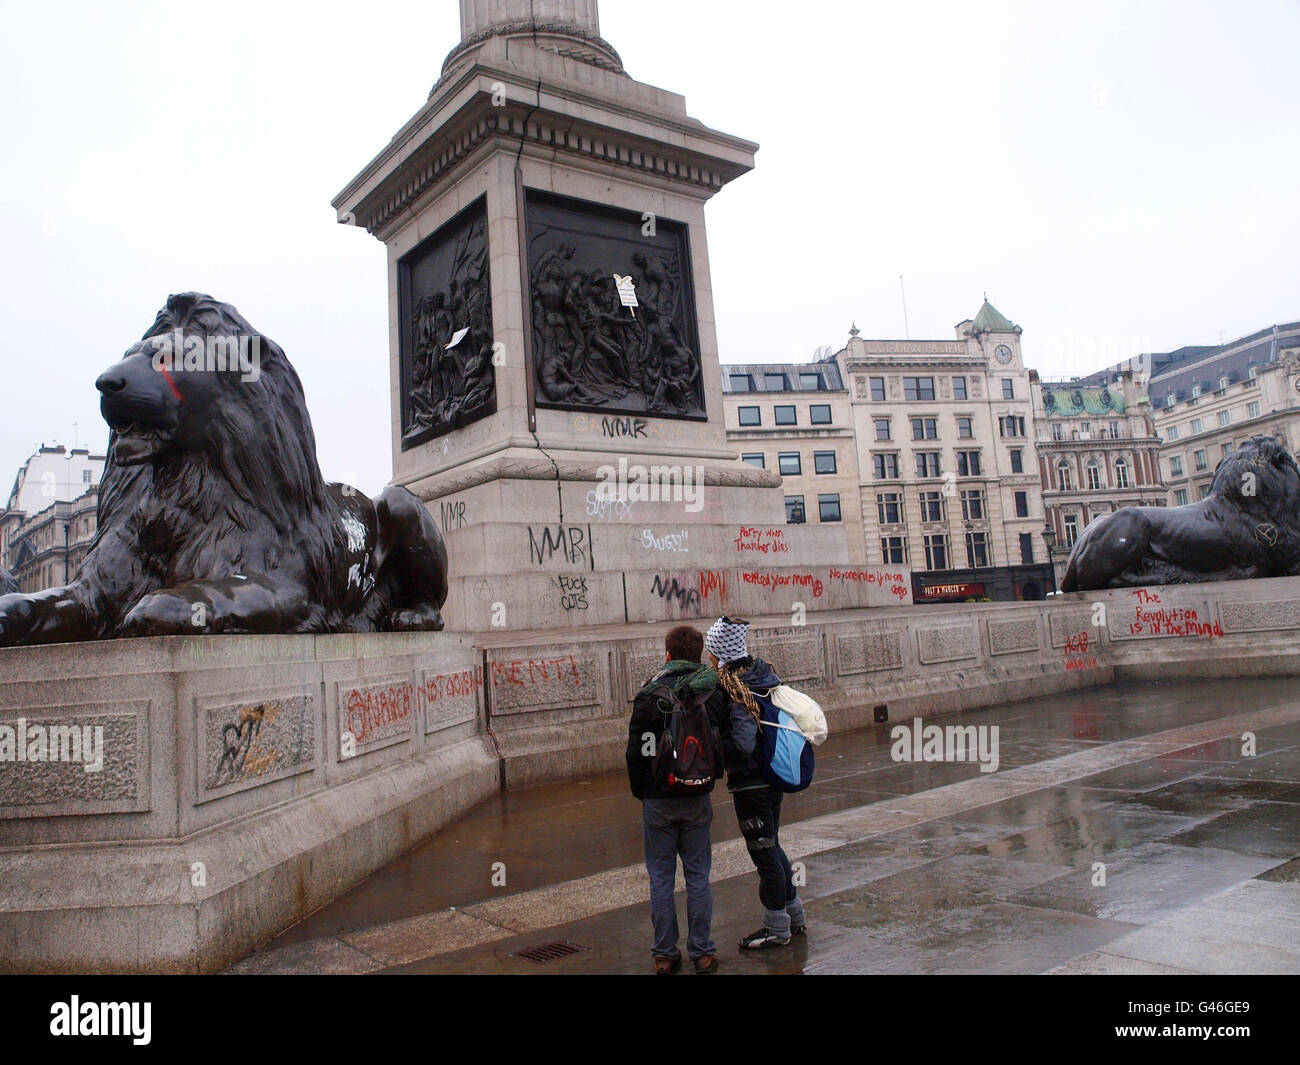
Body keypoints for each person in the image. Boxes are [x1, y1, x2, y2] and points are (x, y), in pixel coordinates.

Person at [627, 625, 727, 974]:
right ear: (698, 656)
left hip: (658, 798)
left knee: (661, 878)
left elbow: (637, 751)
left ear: (668, 655)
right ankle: (702, 951)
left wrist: (644, 790)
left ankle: (664, 955)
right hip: (697, 795)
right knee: (698, 876)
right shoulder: (712, 694)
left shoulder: (650, 694)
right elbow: (721, 743)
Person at [705, 616, 808, 949]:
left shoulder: (735, 688)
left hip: (752, 783)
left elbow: (743, 742)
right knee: (773, 846)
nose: (708, 657)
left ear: (719, 653)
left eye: (711, 651)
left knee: (763, 854)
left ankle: (776, 927)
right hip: (770, 776)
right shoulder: (759, 674)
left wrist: (719, 753)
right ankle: (793, 915)